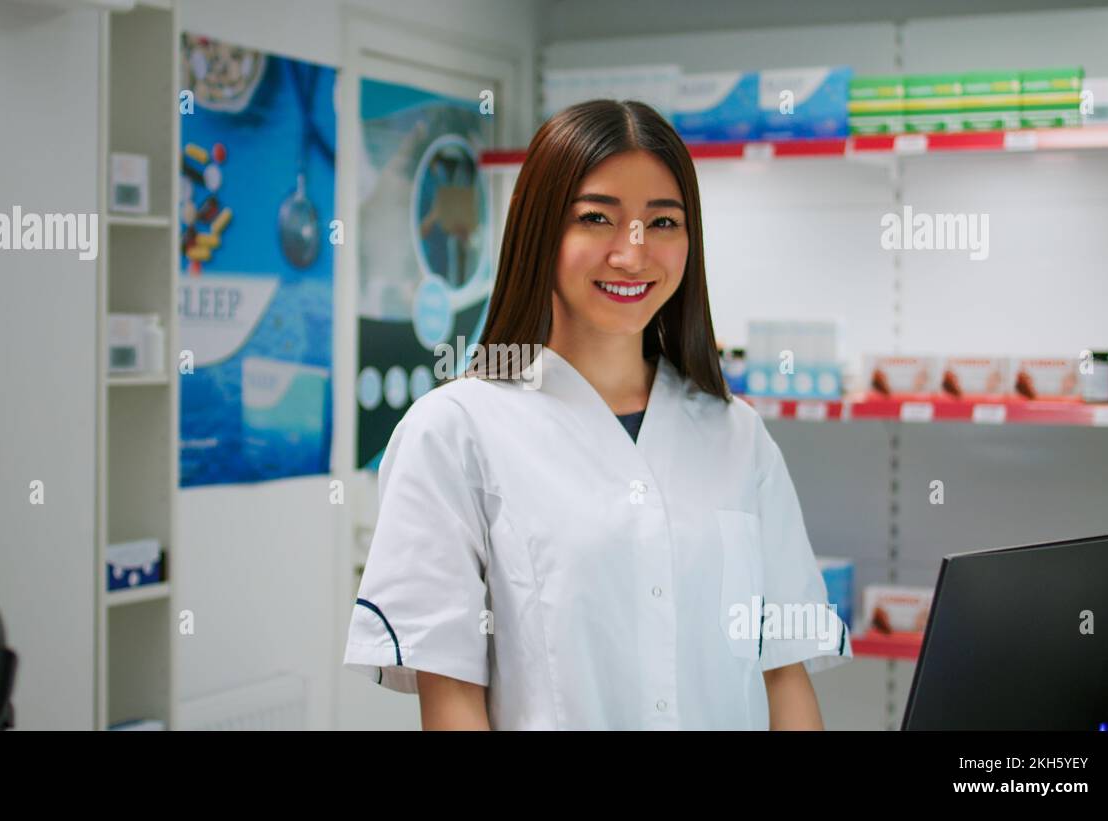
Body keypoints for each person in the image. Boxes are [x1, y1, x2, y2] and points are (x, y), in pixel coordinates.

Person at [343, 99, 851, 730]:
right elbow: (452, 704)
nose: (632, 254)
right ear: (539, 234)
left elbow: (784, 673)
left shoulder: (737, 435)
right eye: (595, 218)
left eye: (662, 223)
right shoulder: (454, 432)